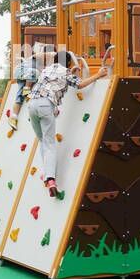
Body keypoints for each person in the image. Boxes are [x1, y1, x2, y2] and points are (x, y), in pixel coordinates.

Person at [25, 50, 108, 197]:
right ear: (69, 63)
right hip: (46, 106)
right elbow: (80, 84)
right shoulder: (65, 73)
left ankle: (46, 174)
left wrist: (71, 71)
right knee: (50, 144)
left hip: (32, 106)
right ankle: (50, 179)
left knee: (42, 140)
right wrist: (98, 75)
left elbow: (55, 79)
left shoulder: (47, 70)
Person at [6, 45, 43, 132]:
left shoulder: (39, 63)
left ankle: (13, 117)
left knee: (19, 97)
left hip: (22, 76)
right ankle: (27, 88)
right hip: (22, 71)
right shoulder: (34, 58)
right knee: (35, 72)